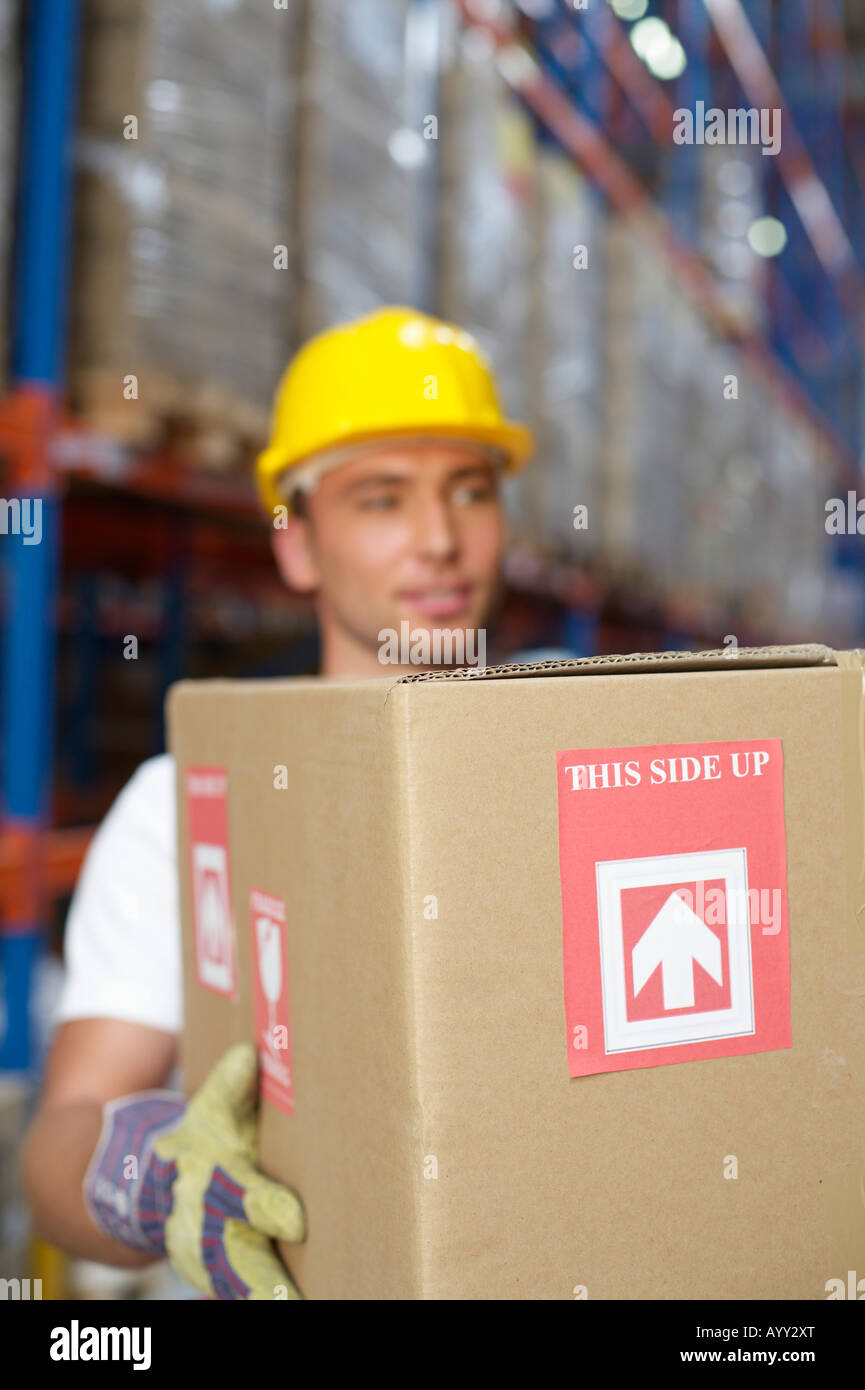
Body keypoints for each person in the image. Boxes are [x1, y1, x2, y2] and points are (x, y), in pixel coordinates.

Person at [21, 305, 536, 1299]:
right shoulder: (190, 807)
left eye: (469, 492)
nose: (439, 540)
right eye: (383, 500)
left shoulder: (559, 778)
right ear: (296, 545)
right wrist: (151, 1171)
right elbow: (57, 1144)